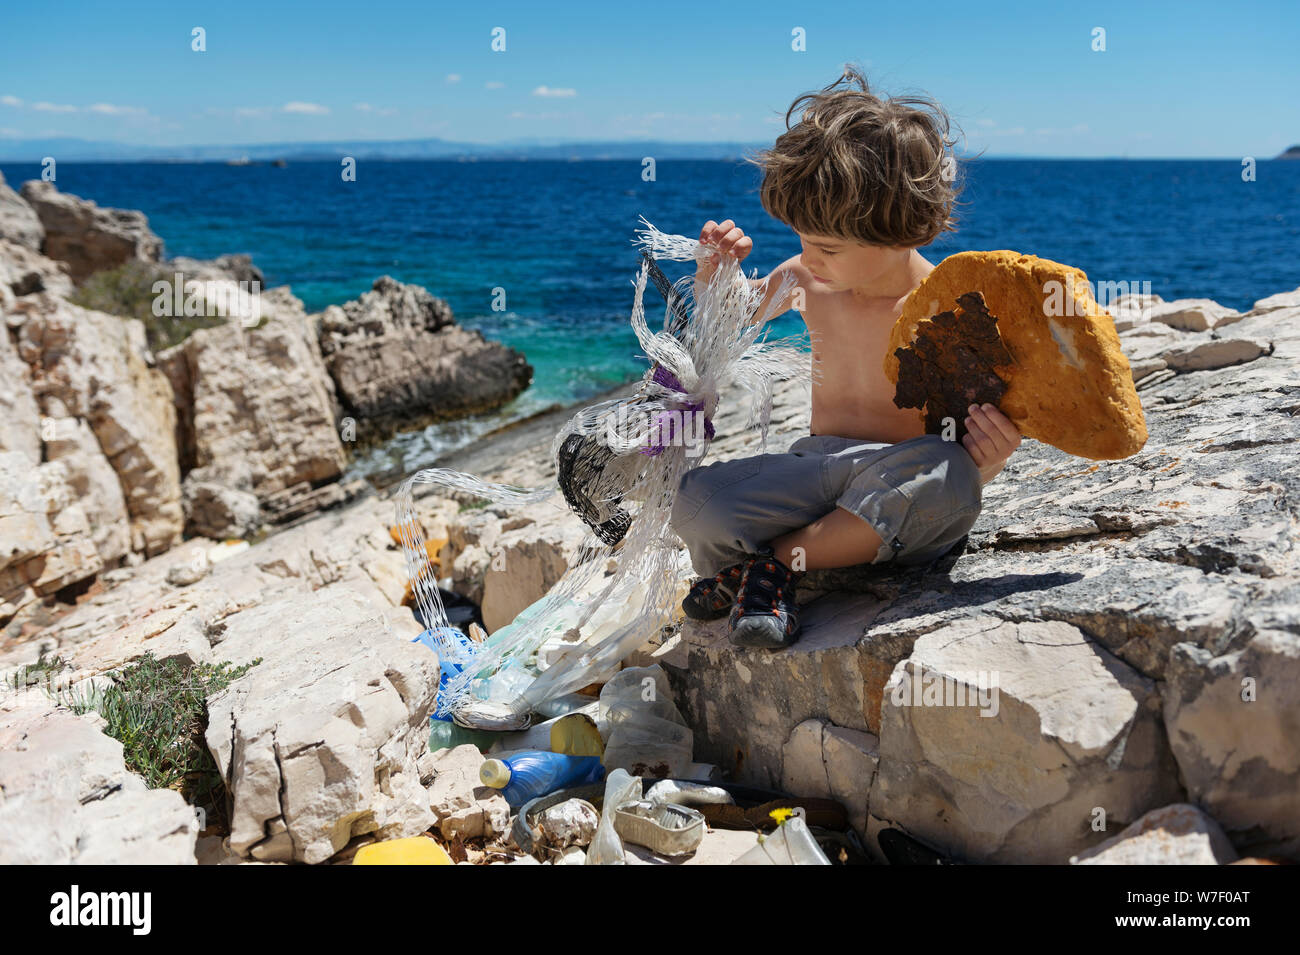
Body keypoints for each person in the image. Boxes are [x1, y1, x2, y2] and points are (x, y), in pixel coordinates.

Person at [669, 66, 1021, 649]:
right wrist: (713, 280)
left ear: (901, 230)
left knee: (950, 474)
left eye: (827, 246)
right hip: (816, 472)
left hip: (895, 485)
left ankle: (769, 565)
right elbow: (726, 325)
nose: (809, 256)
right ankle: (784, 567)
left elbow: (972, 455)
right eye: (803, 238)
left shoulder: (951, 314)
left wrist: (991, 457)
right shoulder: (807, 277)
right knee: (695, 501)